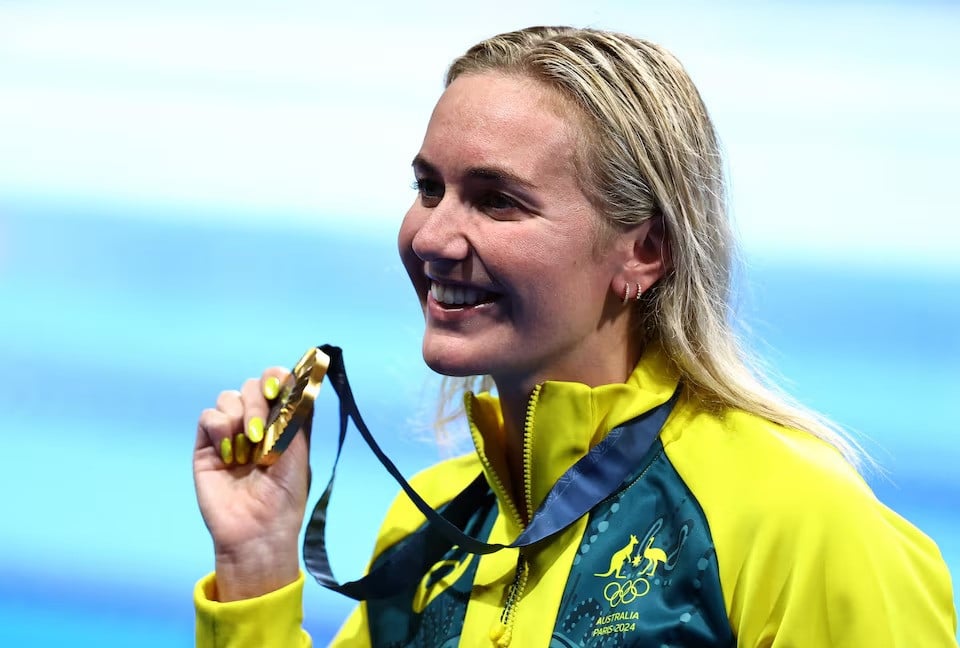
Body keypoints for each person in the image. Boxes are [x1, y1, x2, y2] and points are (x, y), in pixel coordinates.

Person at [192, 25, 958, 647]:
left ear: (644, 250)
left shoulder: (790, 516)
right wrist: (255, 568)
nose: (434, 236)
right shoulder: (427, 530)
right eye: (429, 188)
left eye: (497, 202)